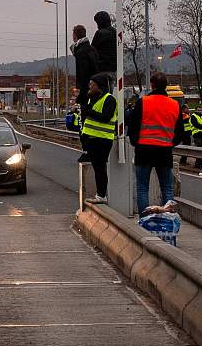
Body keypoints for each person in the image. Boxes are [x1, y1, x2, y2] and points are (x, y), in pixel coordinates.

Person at [126, 72, 184, 214]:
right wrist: (170, 143)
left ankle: (145, 219)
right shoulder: (175, 105)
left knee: (142, 187)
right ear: (166, 86)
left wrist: (136, 143)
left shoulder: (143, 102)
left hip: (144, 150)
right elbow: (180, 132)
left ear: (151, 85)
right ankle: (167, 218)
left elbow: (133, 127)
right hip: (164, 151)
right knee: (167, 188)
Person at [80, 75, 117, 203]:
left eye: (92, 84)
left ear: (99, 86)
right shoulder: (91, 99)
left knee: (100, 167)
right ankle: (100, 194)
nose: (89, 86)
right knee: (97, 167)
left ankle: (101, 195)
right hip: (92, 139)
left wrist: (89, 111)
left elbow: (106, 117)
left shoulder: (109, 99)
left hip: (103, 139)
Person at [70, 24, 99, 117]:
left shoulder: (80, 52)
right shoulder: (92, 49)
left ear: (75, 36)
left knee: (84, 116)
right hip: (96, 87)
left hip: (86, 91)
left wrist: (80, 96)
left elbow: (83, 75)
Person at [91, 11, 117, 85]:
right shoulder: (115, 32)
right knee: (110, 90)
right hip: (114, 69)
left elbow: (92, 50)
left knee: (101, 90)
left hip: (102, 69)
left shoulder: (100, 33)